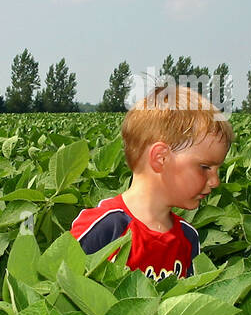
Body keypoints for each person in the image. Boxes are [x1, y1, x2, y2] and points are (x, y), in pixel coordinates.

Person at [71, 84, 232, 279]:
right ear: (160, 158)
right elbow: (59, 295)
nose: (215, 182)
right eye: (205, 167)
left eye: (217, 170)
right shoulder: (106, 227)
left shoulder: (188, 238)